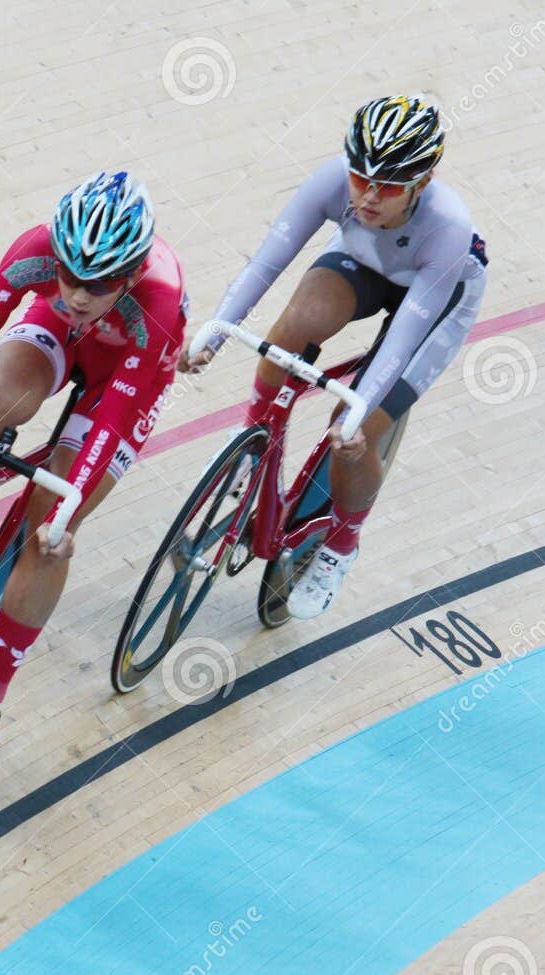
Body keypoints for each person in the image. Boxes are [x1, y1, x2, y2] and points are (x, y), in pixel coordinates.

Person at [184, 95, 488, 618]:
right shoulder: (330, 182)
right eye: (359, 178)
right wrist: (213, 333)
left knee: (352, 433)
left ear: (422, 182)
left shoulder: (448, 228)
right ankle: (253, 446)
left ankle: (342, 546)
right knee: (293, 327)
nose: (367, 196)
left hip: (436, 297)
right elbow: (266, 264)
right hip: (363, 260)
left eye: (386, 187)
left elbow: (402, 338)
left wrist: (356, 414)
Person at [0, 169, 189, 757]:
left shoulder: (158, 298)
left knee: (52, 522)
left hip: (125, 380)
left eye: (97, 284)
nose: (78, 294)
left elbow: (114, 417)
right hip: (57, 337)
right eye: (69, 275)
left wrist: (64, 508)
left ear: (130, 274)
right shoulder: (35, 250)